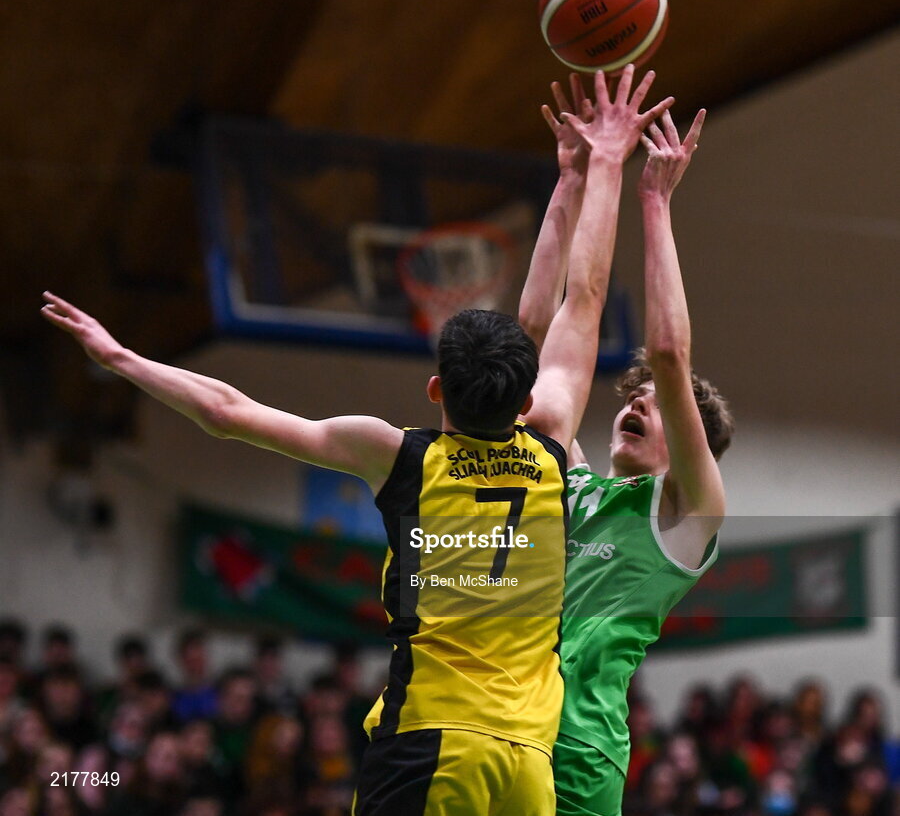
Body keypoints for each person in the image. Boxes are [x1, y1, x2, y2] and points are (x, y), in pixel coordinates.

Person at [41, 65, 672, 816]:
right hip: (526, 765)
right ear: (525, 394)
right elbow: (583, 299)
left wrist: (121, 359)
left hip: (430, 746)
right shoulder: (549, 448)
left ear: (438, 389)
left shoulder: (399, 457)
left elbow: (226, 410)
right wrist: (596, 167)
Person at [518, 74, 734, 816]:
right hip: (502, 731)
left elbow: (669, 357)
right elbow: (542, 338)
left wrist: (654, 199)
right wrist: (571, 184)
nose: (639, 400)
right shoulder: (570, 479)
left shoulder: (686, 517)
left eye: (659, 406)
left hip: (578, 757)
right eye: (632, 396)